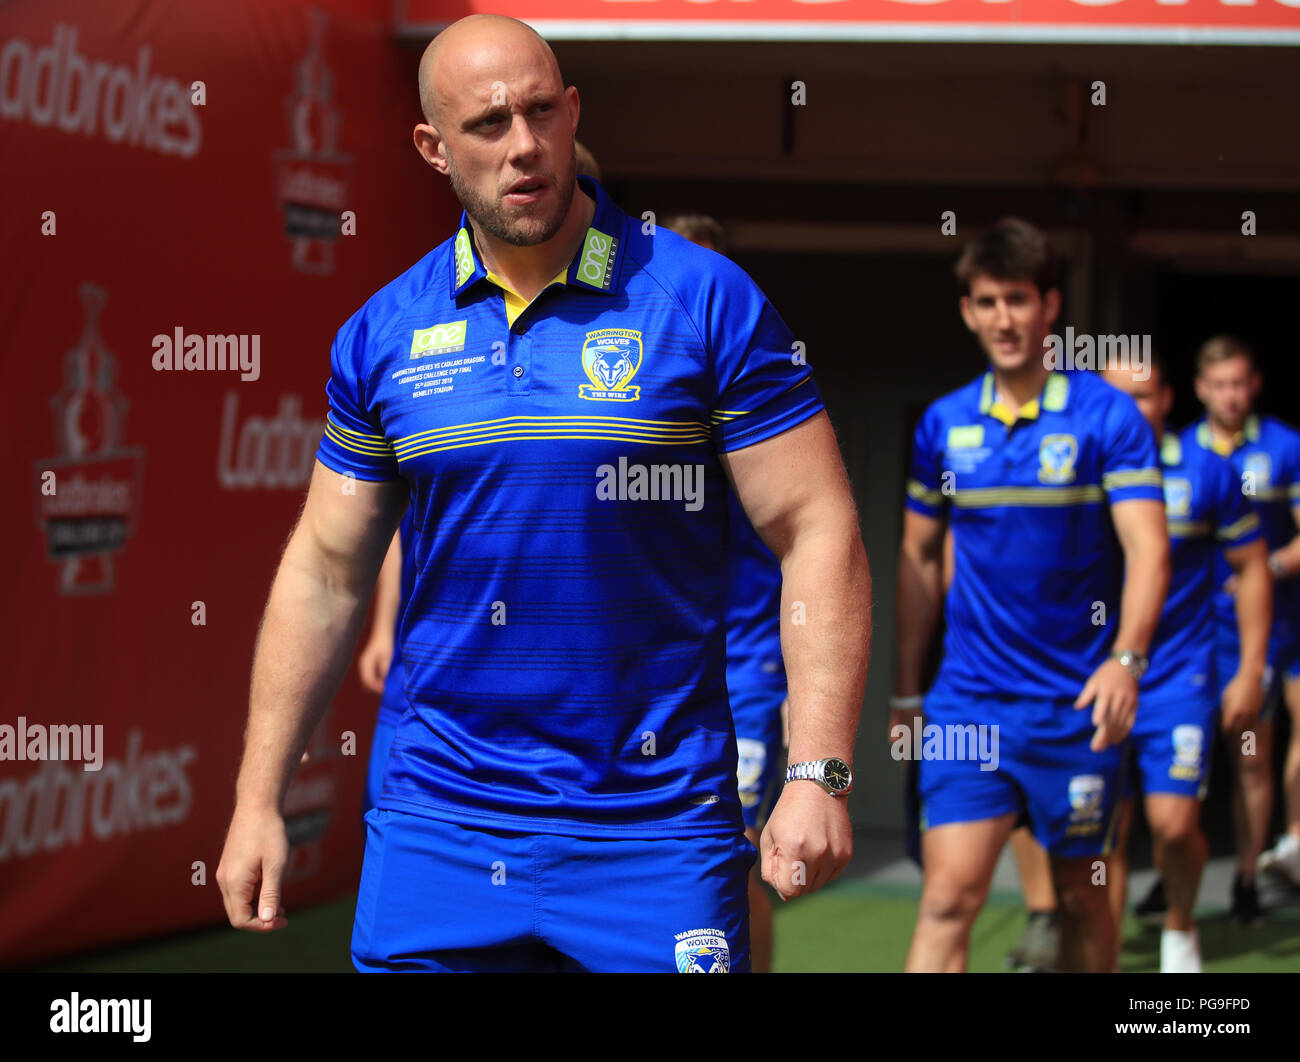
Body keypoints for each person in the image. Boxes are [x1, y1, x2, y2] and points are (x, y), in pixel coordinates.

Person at [216, 13, 869, 973]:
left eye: (539, 113)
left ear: (572, 114)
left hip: (655, 827)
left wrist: (817, 771)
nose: (522, 146)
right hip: (438, 819)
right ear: (433, 150)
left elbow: (815, 523)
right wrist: (257, 797)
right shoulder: (382, 333)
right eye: (487, 126)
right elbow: (324, 568)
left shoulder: (704, 299)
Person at [893, 217, 1170, 973]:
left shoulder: (1107, 416)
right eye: (986, 302)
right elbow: (918, 557)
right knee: (948, 899)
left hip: (1075, 709)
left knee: (1085, 900)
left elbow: (1149, 547)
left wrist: (1127, 661)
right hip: (967, 705)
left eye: (1018, 300)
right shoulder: (943, 425)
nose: (1003, 319)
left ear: (1050, 306)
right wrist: (908, 695)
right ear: (967, 311)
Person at [1100, 352, 1269, 971]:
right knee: (1102, 829)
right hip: (1091, 681)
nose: (1131, 409)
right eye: (1117, 396)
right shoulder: (1076, 471)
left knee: (1172, 825)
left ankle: (1177, 927)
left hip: (1178, 678)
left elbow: (1253, 570)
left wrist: (1249, 669)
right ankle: (1104, 953)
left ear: (1168, 399)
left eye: (1143, 395)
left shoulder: (1206, 471)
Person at [661, 211, 787, 973]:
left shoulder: (764, 401)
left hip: (741, 678)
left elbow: (815, 549)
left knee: (728, 862)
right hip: (640, 688)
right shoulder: (614, 404)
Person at [1174, 336, 1300, 919]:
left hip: (1261, 630)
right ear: (1201, 388)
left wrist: (1263, 572)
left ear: (1255, 385)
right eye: (1218, 384)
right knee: (1178, 759)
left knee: (1250, 753)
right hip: (1187, 637)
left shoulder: (1285, 446)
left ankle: (1247, 878)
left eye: (1239, 383)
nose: (1230, 395)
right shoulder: (1173, 453)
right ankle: (1175, 880)